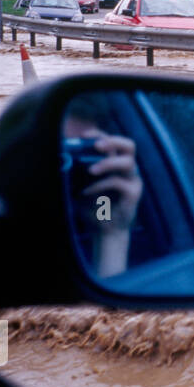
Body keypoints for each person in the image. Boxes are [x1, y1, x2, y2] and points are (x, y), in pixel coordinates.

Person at [63, 96, 143, 278]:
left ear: (104, 154)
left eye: (81, 152)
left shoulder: (100, 199)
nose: (67, 165)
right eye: (62, 150)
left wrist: (111, 231)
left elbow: (106, 302)